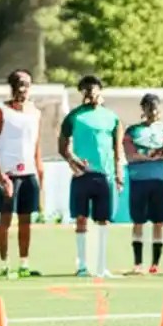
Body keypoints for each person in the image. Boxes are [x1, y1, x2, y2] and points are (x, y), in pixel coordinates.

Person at [59, 75, 123, 278]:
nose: (90, 93)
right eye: (86, 90)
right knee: (81, 219)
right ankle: (82, 265)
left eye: (94, 89)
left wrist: (119, 173)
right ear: (82, 93)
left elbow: (117, 148)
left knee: (103, 221)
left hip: (105, 175)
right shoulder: (74, 117)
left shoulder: (112, 117)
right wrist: (73, 160)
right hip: (82, 176)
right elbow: (62, 146)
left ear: (100, 91)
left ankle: (101, 265)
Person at [0, 69, 44, 278]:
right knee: (5, 221)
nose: (23, 88)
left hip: (29, 174)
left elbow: (36, 147)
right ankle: (4, 264)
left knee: (26, 221)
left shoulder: (36, 113)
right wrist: (0, 175)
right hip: (8, 174)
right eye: (19, 83)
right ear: (12, 86)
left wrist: (40, 174)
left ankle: (24, 264)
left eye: (27, 84)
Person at [124, 93, 163, 274]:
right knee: (138, 221)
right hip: (139, 181)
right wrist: (149, 157)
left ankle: (155, 264)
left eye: (155, 108)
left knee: (159, 222)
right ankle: (138, 264)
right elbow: (130, 156)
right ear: (143, 109)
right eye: (149, 108)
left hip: (159, 181)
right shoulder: (132, 131)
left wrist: (147, 157)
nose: (152, 112)